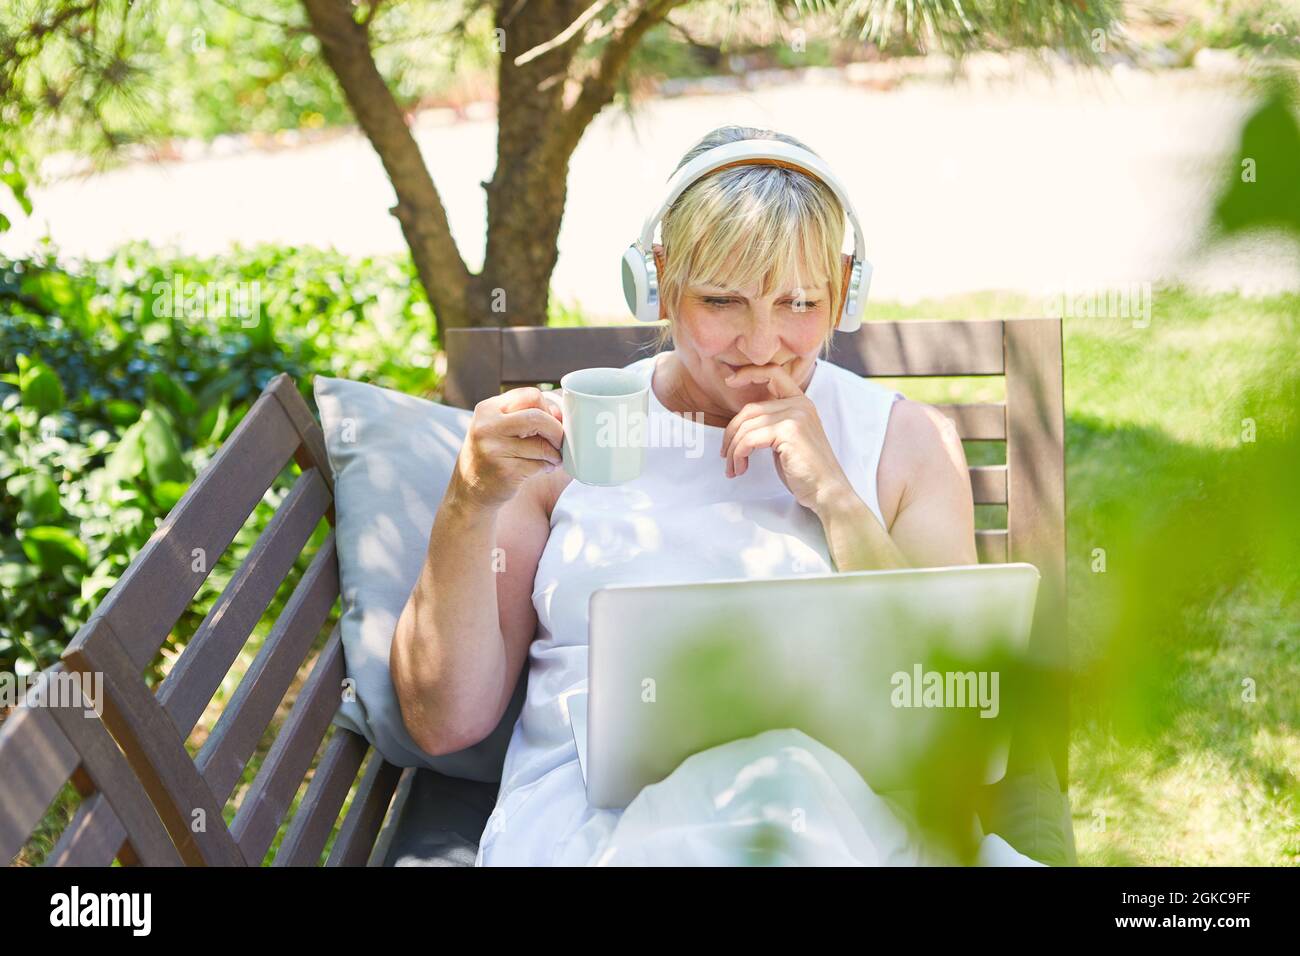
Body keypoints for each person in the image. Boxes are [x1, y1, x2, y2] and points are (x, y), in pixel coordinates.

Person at [390, 125, 1042, 866]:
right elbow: (444, 721)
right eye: (723, 300)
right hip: (591, 827)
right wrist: (468, 504)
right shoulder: (570, 440)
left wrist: (836, 499)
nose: (762, 344)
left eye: (799, 301)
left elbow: (954, 706)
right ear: (659, 281)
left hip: (840, 820)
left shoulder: (907, 443)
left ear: (845, 291)